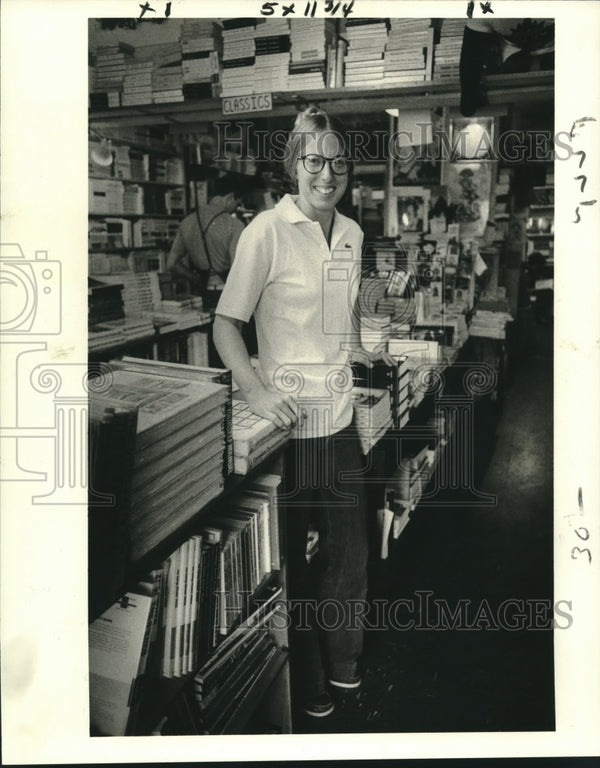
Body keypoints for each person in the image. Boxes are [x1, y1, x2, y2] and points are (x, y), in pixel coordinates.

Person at [213, 106, 394, 719]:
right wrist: (258, 392)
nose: (328, 173)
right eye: (315, 160)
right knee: (288, 561)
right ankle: (306, 682)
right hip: (284, 428)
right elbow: (226, 324)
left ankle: (344, 672)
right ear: (295, 166)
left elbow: (345, 324)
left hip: (339, 419)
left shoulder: (351, 232)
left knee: (348, 560)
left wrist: (372, 333)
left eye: (338, 162)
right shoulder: (266, 229)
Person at [166, 175, 245, 301]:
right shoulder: (234, 225)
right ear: (229, 197)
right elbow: (239, 269)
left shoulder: (187, 222)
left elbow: (171, 264)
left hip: (203, 295)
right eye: (237, 203)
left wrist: (195, 278)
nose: (236, 208)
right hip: (229, 296)